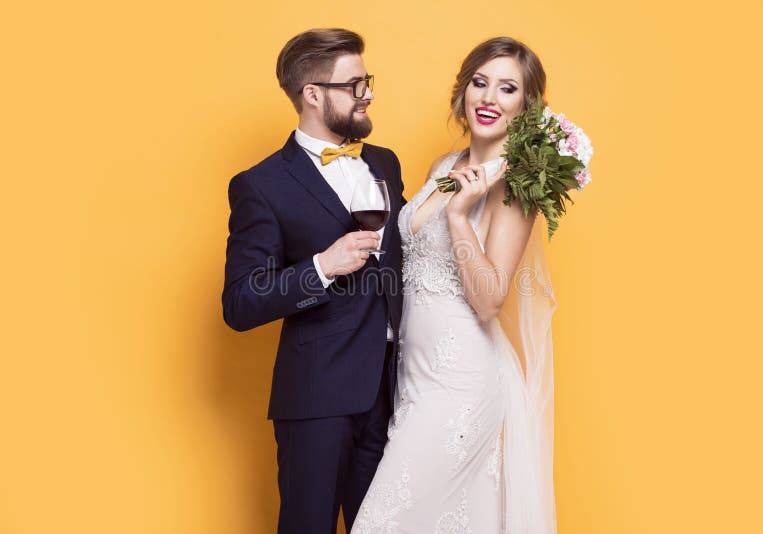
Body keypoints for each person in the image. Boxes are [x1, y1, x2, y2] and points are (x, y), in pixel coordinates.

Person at [352, 37, 558, 533]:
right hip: (412, 381)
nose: (488, 98)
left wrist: (461, 216)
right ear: (463, 91)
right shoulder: (444, 166)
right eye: (479, 83)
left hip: (460, 384)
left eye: (507, 88)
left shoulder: (517, 183)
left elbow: (489, 300)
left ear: (525, 106)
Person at [221, 28, 405, 534]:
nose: (367, 92)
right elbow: (239, 302)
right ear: (313, 94)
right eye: (355, 84)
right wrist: (322, 266)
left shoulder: (384, 162)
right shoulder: (261, 185)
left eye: (367, 80)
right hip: (318, 399)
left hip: (396, 393)